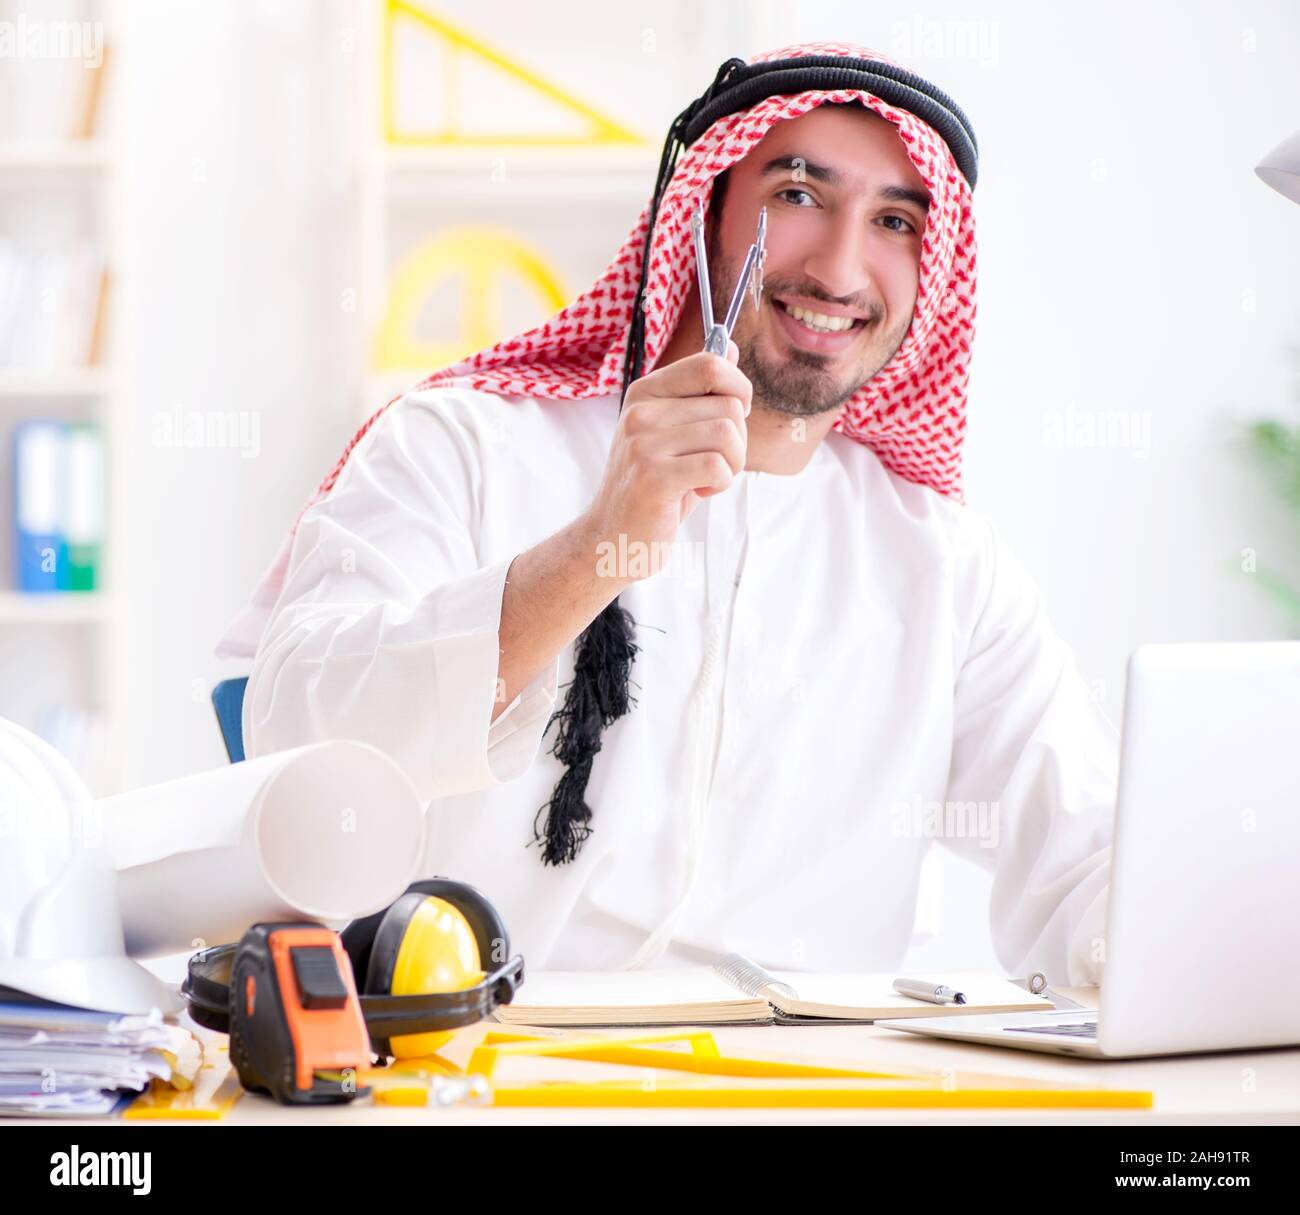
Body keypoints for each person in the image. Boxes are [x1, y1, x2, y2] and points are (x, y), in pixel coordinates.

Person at [217, 44, 1117, 983]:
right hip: (492, 1074)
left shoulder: (946, 566)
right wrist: (593, 551)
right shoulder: (460, 447)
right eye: (800, 195)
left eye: (895, 221)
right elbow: (299, 738)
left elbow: (1088, 859)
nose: (843, 269)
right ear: (703, 210)